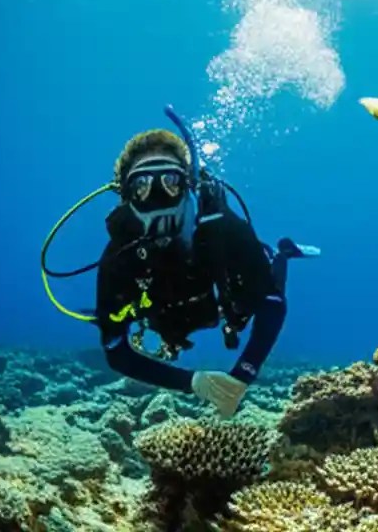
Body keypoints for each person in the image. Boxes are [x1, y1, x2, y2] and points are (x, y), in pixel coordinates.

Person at [92, 129, 296, 418]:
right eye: (142, 187)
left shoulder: (222, 228)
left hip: (222, 303)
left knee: (256, 290)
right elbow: (115, 350)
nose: (159, 198)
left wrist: (242, 375)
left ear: (188, 184)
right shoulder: (118, 258)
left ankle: (283, 253)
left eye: (171, 182)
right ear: (126, 196)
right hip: (166, 318)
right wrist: (194, 383)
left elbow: (272, 303)